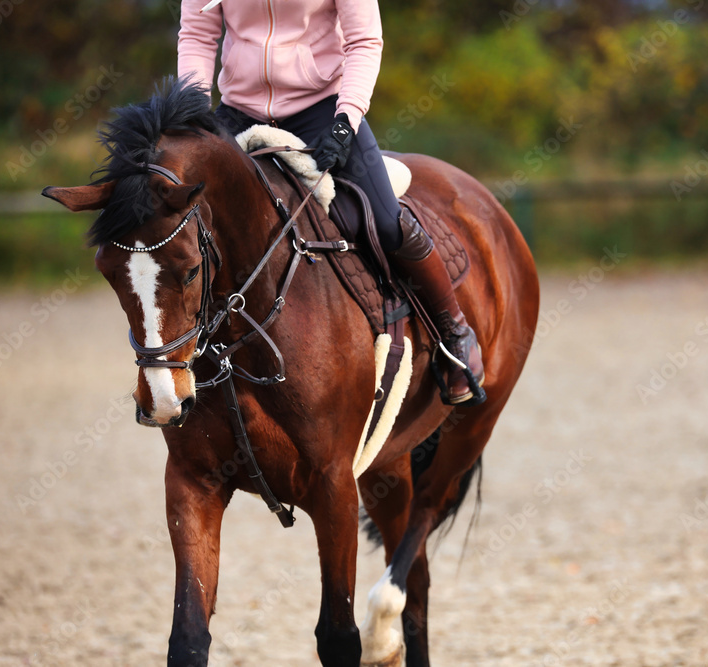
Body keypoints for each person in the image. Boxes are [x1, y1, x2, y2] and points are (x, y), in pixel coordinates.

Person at [178, 0, 484, 405]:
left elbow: (364, 41)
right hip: (237, 113)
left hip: (322, 110)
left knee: (385, 220)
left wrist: (346, 118)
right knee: (187, 223)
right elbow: (197, 37)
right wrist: (195, 113)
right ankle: (183, 354)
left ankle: (454, 332)